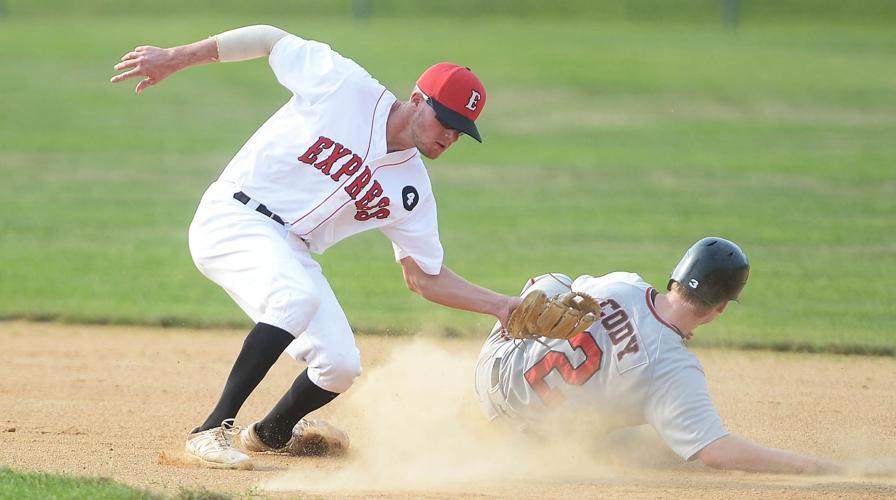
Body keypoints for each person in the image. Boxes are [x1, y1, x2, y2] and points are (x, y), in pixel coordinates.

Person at [111, 25, 522, 470]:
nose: (451, 137)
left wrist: (502, 306)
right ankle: (210, 430)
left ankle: (271, 433)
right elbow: (271, 39)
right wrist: (176, 57)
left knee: (340, 366)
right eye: (448, 121)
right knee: (296, 297)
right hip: (233, 215)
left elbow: (423, 276)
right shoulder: (344, 86)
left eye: (462, 131)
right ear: (419, 99)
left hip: (293, 249)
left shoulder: (412, 190)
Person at [475, 237, 841, 474]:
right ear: (720, 309)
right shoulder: (674, 371)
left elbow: (578, 301)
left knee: (557, 282)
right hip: (527, 435)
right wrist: (806, 465)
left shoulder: (624, 282)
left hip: (490, 373)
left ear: (675, 279)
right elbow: (716, 451)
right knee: (641, 443)